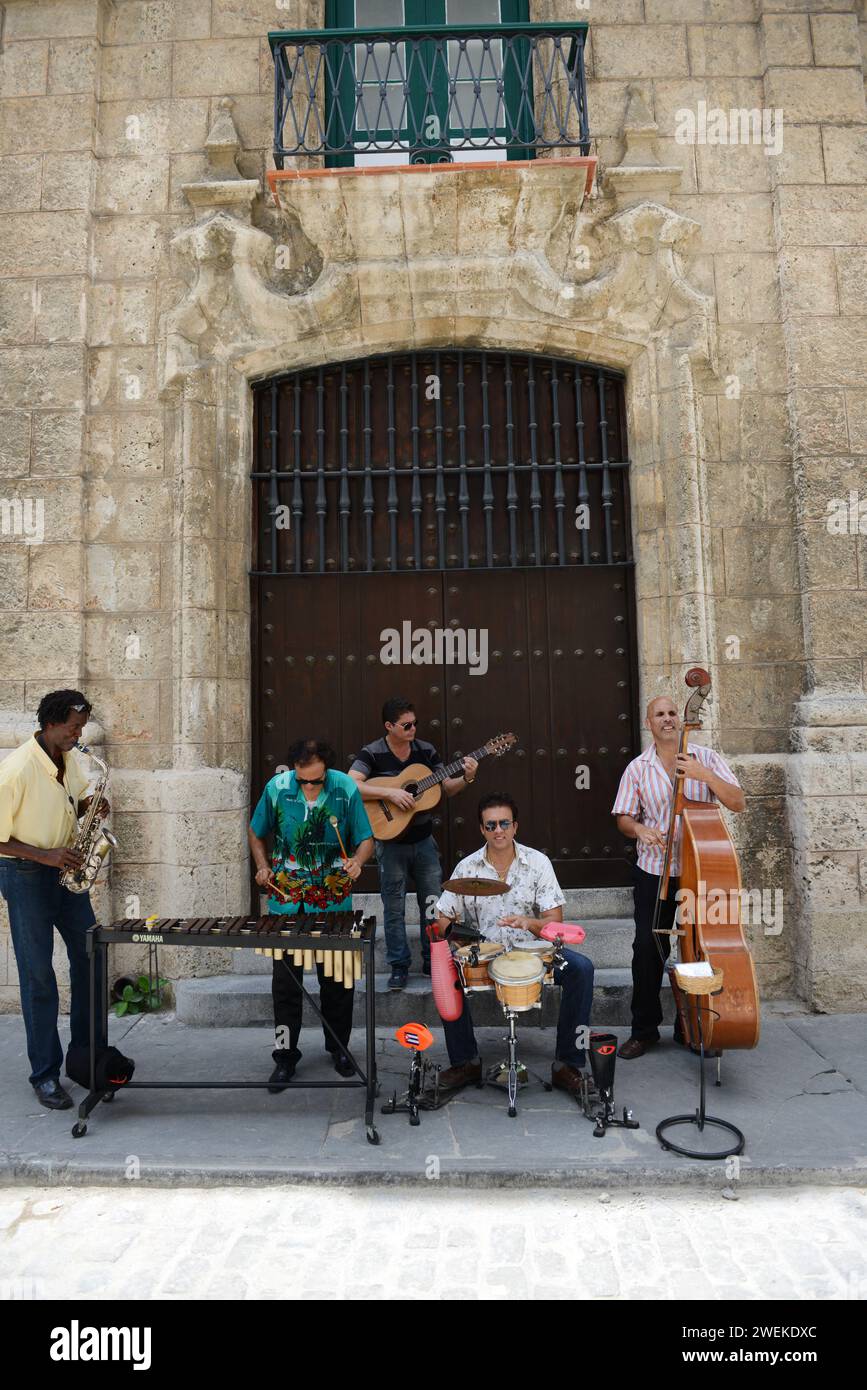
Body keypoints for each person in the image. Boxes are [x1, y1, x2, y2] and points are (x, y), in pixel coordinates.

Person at [431, 793, 595, 1097]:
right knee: (446, 970)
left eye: (504, 823)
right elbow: (443, 917)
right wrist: (460, 935)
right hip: (486, 953)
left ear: (515, 826)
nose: (498, 830)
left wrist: (528, 922)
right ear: (481, 829)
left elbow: (554, 921)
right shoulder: (467, 867)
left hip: (534, 953)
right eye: (490, 825)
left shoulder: (537, 862)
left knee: (582, 969)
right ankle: (465, 1062)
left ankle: (568, 1065)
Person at [612, 694, 745, 1059]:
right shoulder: (637, 768)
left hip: (702, 871)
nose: (668, 718)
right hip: (654, 870)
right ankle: (644, 1030)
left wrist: (704, 776)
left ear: (681, 720)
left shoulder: (707, 759)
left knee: (698, 948)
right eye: (660, 714)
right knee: (647, 949)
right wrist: (639, 830)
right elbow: (623, 817)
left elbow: (737, 801)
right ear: (648, 723)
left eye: (673, 713)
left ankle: (697, 1026)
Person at [0, 690, 107, 1110]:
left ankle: (87, 1059)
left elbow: (76, 800)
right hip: (26, 875)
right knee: (39, 975)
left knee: (91, 957)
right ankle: (44, 1074)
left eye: (81, 727)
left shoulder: (69, 758)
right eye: (73, 727)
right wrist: (43, 854)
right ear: (49, 723)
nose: (78, 735)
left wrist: (91, 808)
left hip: (66, 874)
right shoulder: (15, 771)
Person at [249, 738, 374, 1090]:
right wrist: (262, 865)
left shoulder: (345, 787)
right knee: (285, 987)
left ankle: (339, 1049)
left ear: (327, 771)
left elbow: (367, 839)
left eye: (315, 781)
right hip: (285, 901)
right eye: (303, 780)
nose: (308, 787)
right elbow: (256, 831)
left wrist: (358, 861)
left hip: (333, 900)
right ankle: (285, 1057)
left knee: (338, 983)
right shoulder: (277, 788)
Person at [349, 697, 478, 991]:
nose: (413, 729)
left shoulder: (425, 751)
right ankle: (398, 966)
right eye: (406, 725)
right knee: (393, 907)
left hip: (423, 842)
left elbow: (447, 788)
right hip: (391, 844)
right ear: (389, 726)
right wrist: (390, 794)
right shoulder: (372, 752)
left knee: (433, 904)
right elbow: (351, 784)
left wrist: (468, 778)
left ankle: (433, 959)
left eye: (415, 723)